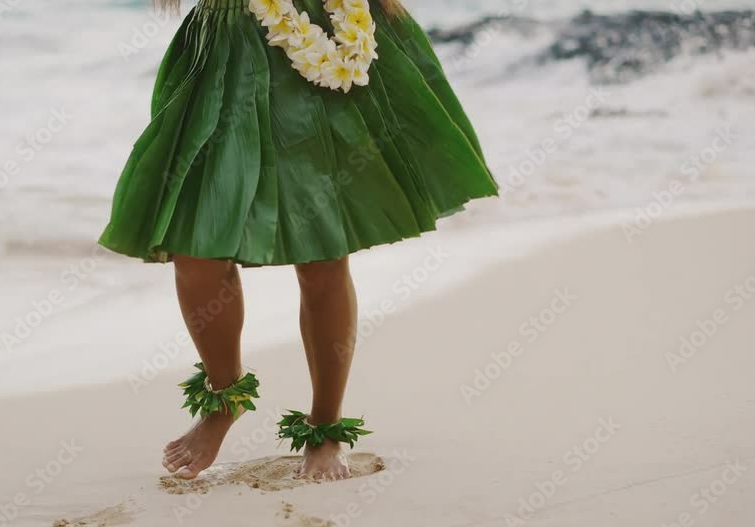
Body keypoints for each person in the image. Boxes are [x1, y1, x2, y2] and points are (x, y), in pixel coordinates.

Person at [98, 0, 498, 481]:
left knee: (322, 250)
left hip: (327, 36)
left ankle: (326, 427)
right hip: (225, 51)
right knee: (196, 247)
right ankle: (225, 397)